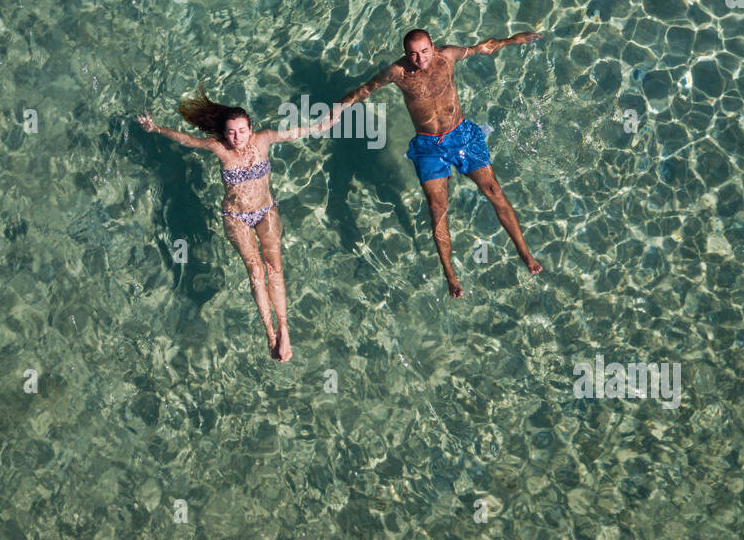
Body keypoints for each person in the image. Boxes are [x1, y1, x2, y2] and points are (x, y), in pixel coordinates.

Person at [337, 28, 544, 296]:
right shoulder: (398, 73)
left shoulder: (447, 56)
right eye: (412, 54)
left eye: (424, 51)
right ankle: (451, 275)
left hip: (462, 135)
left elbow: (481, 47)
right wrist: (337, 109)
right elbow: (365, 89)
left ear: (432, 46)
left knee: (493, 190)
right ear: (405, 53)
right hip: (427, 145)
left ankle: (524, 253)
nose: (420, 59)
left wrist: (512, 40)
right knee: (437, 208)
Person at [136, 92, 339, 360]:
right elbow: (188, 140)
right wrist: (156, 129)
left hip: (266, 211)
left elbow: (292, 132)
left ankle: (284, 327)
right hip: (236, 218)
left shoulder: (263, 140)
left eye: (242, 130)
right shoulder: (220, 149)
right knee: (256, 271)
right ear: (224, 134)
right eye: (231, 133)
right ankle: (271, 333)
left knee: (274, 267)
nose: (237, 137)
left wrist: (321, 126)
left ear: (250, 129)